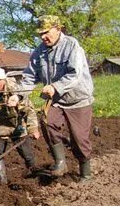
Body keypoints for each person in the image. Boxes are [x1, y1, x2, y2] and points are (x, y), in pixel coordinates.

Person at [21, 15, 94, 180]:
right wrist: (18, 96)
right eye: (40, 34)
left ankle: (86, 174)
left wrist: (55, 86)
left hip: (77, 100)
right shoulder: (39, 52)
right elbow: (29, 77)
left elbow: (75, 74)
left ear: (58, 29)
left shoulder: (72, 46)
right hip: (56, 100)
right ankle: (61, 162)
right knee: (47, 122)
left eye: (46, 32)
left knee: (79, 139)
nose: (42, 37)